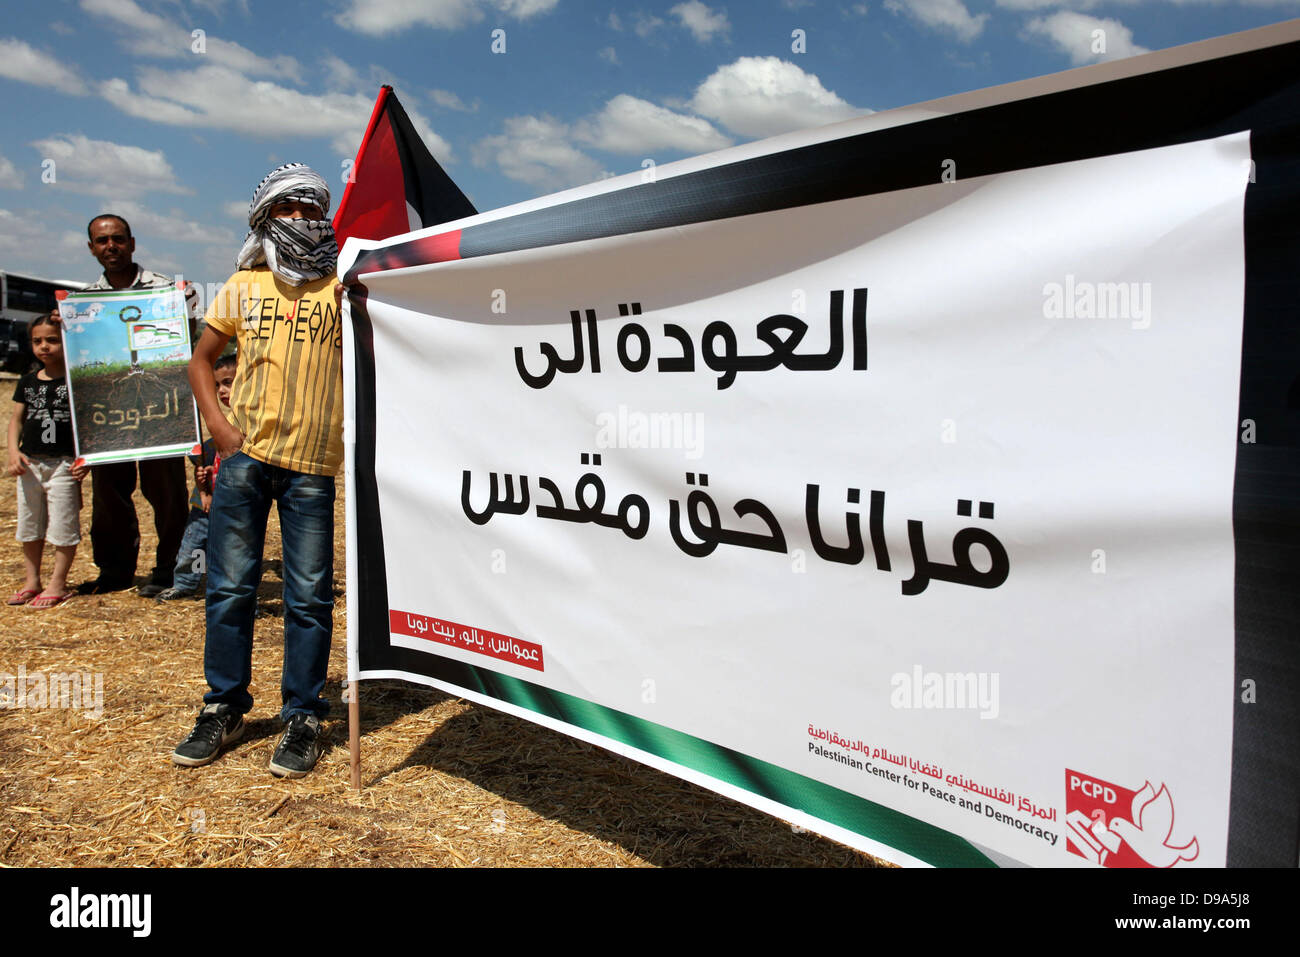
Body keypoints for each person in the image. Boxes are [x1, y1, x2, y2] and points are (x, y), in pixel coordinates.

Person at [172, 164, 343, 778]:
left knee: (307, 597)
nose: (300, 217)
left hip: (314, 466)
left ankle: (303, 715)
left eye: (310, 208)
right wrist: (219, 428)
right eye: (288, 208)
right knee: (230, 588)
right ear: (266, 215)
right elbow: (201, 359)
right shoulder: (244, 285)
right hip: (246, 458)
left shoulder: (343, 286)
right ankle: (224, 705)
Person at [79, 214, 193, 598]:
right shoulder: (85, 303)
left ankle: (170, 569)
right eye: (101, 241)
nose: (110, 246)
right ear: (92, 247)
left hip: (160, 406)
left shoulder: (164, 290)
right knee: (109, 492)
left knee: (167, 492)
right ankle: (115, 571)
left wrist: (185, 304)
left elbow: (182, 344)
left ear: (131, 242)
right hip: (110, 415)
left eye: (117, 239)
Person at [7, 312, 89, 608]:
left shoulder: (78, 382)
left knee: (64, 526)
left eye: (52, 340)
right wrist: (13, 452)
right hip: (30, 464)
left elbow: (90, 424)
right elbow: (16, 420)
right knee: (30, 525)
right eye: (37, 341)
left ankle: (58, 583)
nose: (44, 346)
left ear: (67, 342)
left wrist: (86, 460)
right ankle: (32, 581)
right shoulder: (27, 381)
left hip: (63, 466)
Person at [155, 354, 237, 602]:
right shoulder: (214, 423)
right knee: (194, 546)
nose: (222, 391)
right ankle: (186, 583)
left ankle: (233, 592)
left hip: (234, 504)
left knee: (232, 551)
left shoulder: (249, 425)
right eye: (217, 385)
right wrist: (203, 489)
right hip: (204, 504)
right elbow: (202, 466)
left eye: (228, 382)